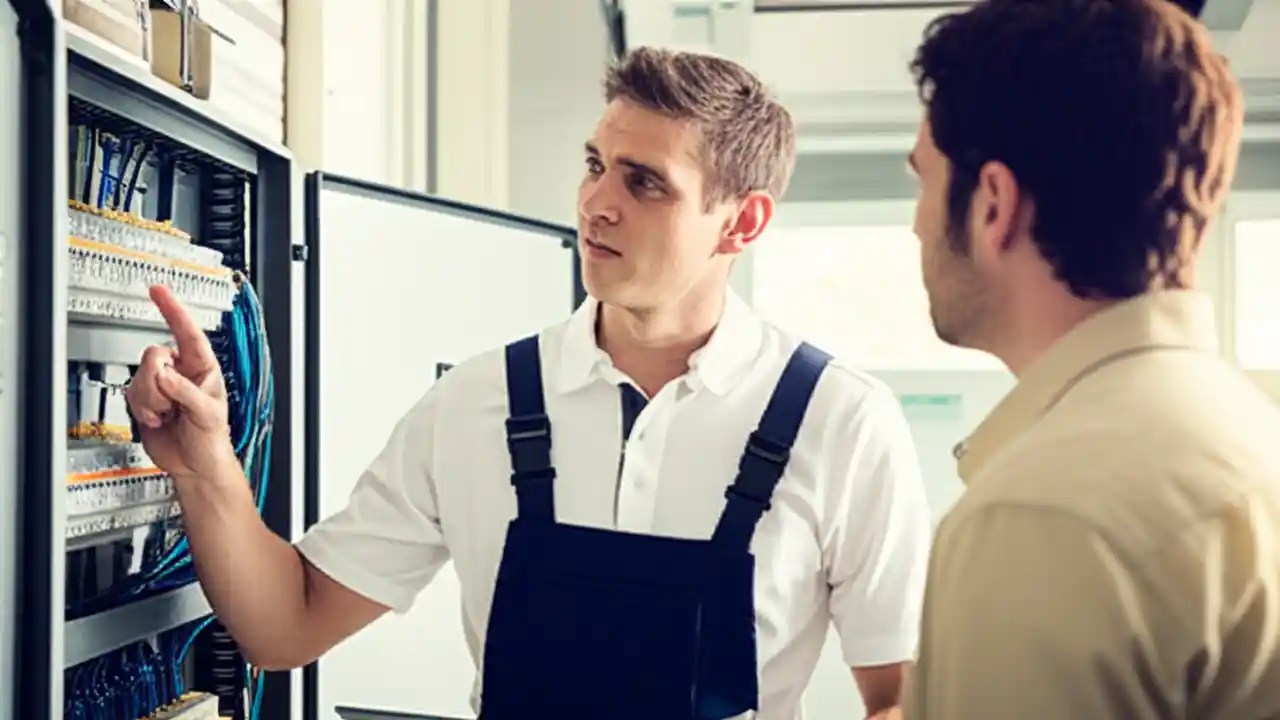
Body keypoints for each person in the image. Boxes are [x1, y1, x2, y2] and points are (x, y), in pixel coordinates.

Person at [126, 47, 932, 719]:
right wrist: (207, 466)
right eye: (594, 166)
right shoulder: (478, 402)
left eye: (643, 181)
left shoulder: (843, 422)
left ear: (743, 222)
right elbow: (287, 626)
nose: (595, 203)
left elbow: (901, 700)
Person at [900, 0, 1280, 718]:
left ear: (993, 204)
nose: (915, 222)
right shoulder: (1247, 434)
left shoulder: (1044, 515)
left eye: (923, 181)